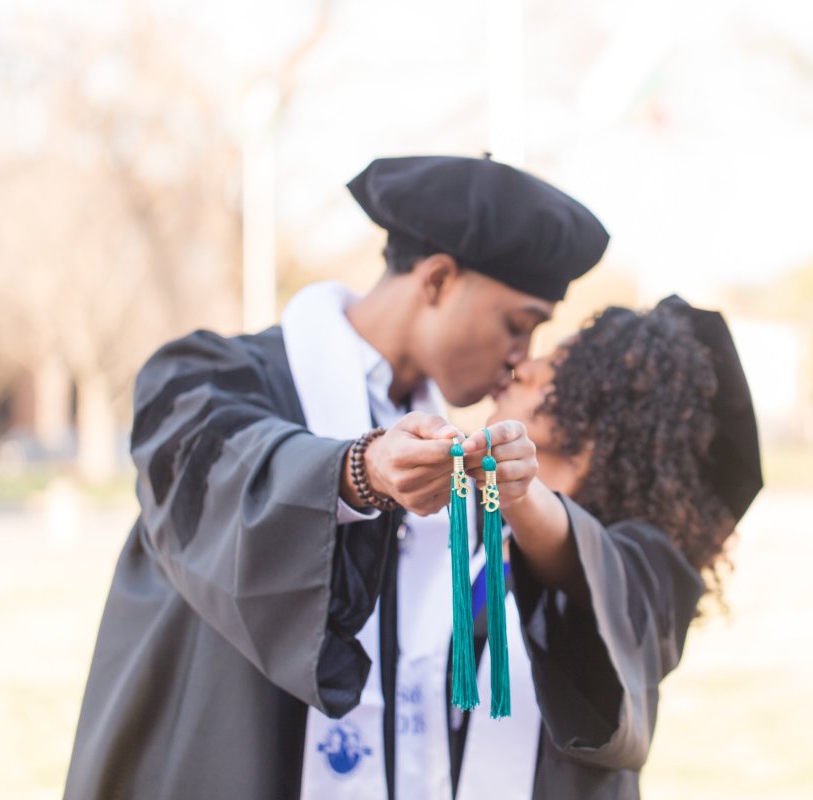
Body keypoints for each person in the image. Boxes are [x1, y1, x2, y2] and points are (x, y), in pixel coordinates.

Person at [63, 154, 609, 800]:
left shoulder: (449, 450)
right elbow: (221, 473)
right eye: (518, 325)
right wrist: (360, 472)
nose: (523, 357)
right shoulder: (212, 378)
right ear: (437, 280)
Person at [302, 295, 764, 799]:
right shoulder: (469, 532)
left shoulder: (653, 570)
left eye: (560, 364)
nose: (523, 365)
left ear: (605, 409)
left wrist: (523, 495)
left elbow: (584, 561)